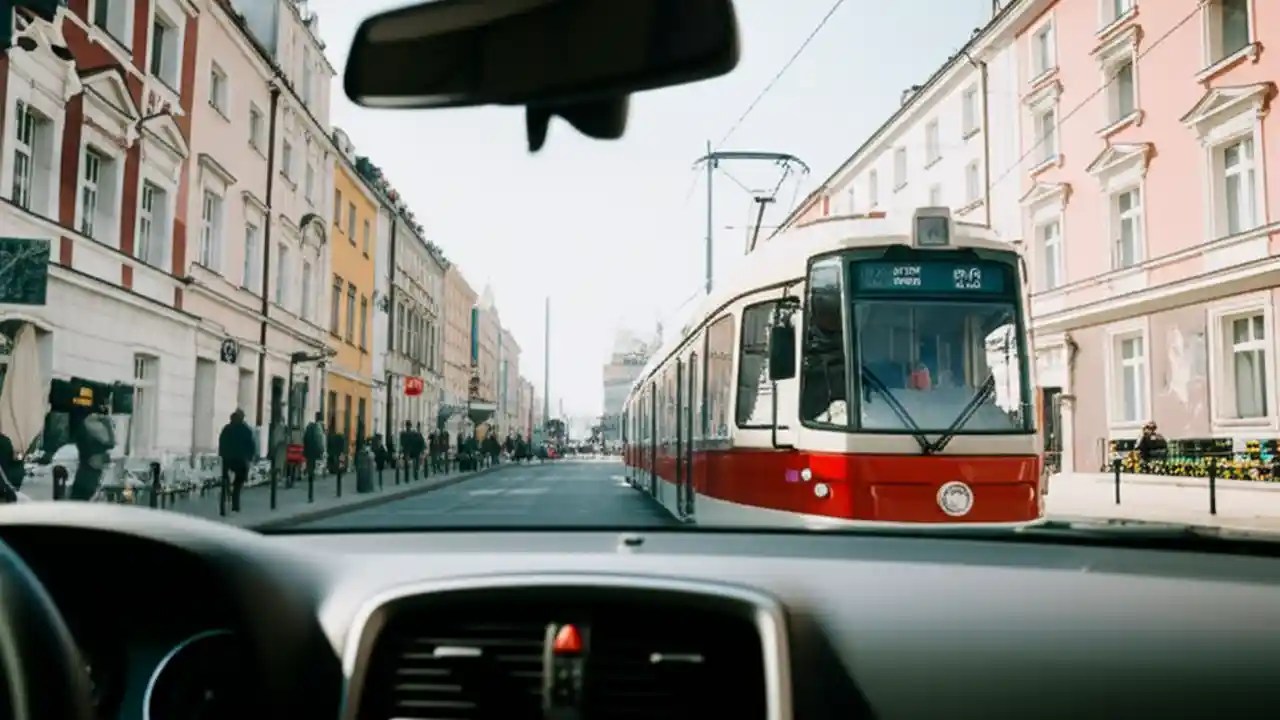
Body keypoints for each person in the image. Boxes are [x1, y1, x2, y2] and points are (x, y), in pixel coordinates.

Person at [217, 409, 255, 512]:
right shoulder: (246, 430)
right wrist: (250, 457)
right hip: (240, 460)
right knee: (239, 481)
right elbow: (251, 446)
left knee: (225, 478)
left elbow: (222, 443)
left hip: (228, 458)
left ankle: (226, 494)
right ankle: (235, 503)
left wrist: (222, 455)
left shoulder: (227, 429)